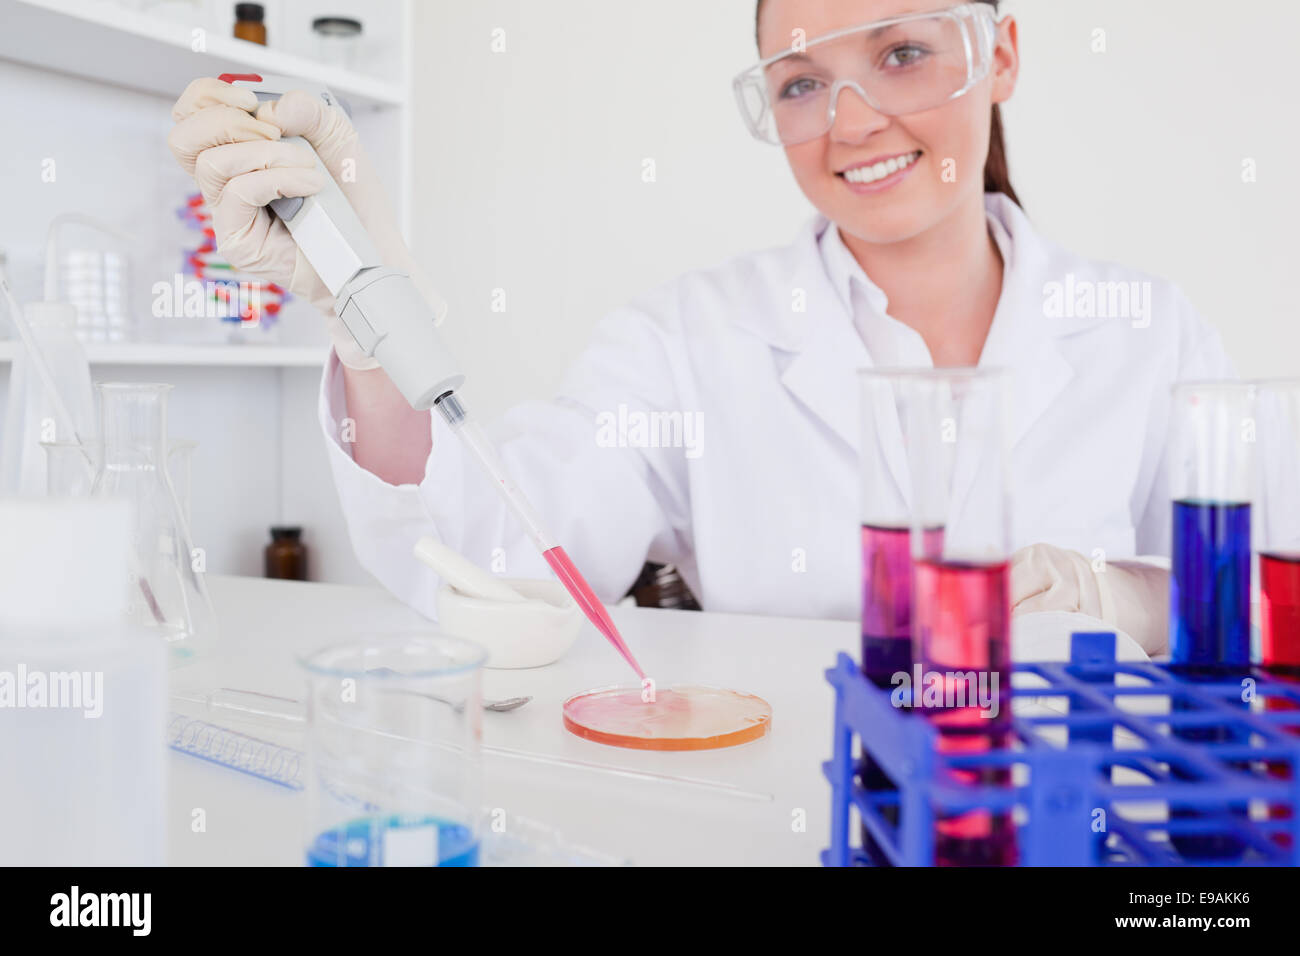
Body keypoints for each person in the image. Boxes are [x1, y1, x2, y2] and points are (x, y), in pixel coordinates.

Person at [167, 0, 1233, 654]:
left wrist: (1129, 600)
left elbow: (1265, 617)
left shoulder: (1144, 331)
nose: (851, 122)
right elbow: (495, 550)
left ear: (998, 54)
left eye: (902, 52)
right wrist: (374, 320)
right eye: (803, 83)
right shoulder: (692, 340)